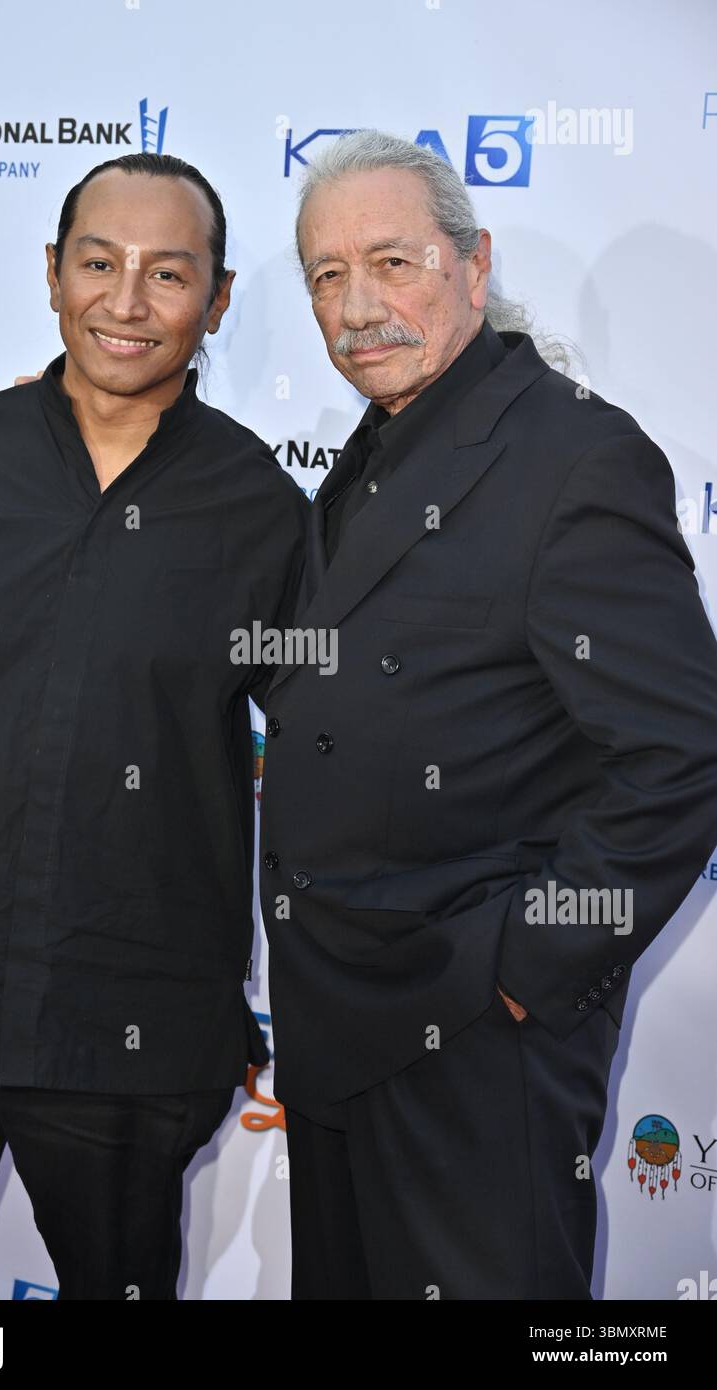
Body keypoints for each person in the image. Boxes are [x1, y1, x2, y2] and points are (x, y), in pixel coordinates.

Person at [258, 129, 717, 1299]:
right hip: (341, 1023)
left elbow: (681, 755)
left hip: (473, 1033)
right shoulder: (366, 454)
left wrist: (526, 967)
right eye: (325, 274)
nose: (358, 306)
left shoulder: (573, 456)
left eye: (391, 262)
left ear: (474, 262)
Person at [0, 151, 307, 1300]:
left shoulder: (263, 510)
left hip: (132, 1027)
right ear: (53, 274)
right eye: (99, 262)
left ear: (217, 299)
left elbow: (327, 758)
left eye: (168, 273)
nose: (126, 299)